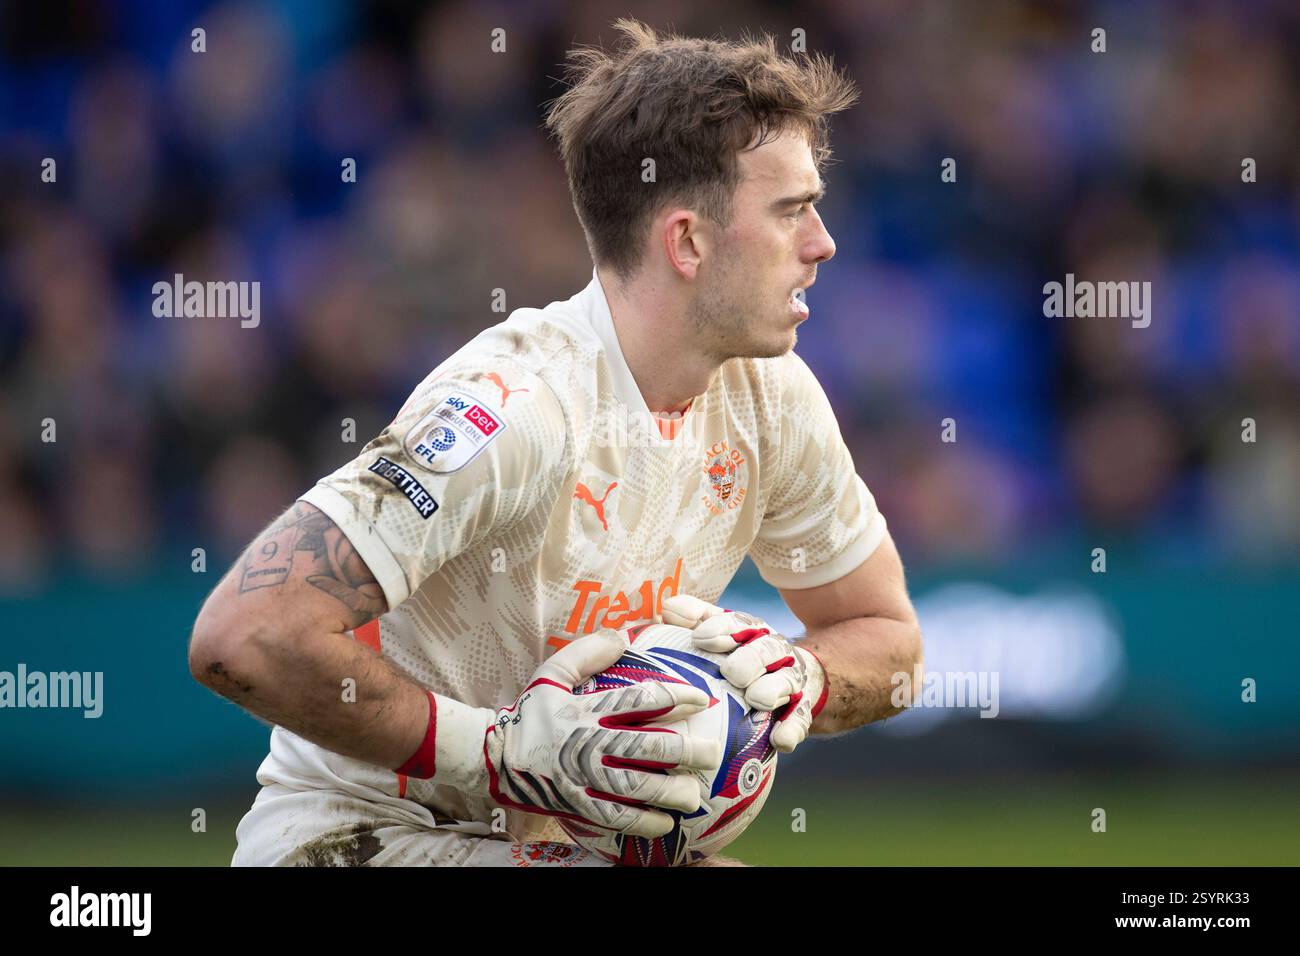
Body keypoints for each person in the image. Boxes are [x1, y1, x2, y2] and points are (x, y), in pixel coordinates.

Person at [189, 18, 923, 867]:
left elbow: (888, 635)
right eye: (791, 211)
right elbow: (244, 636)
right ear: (686, 240)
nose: (822, 243)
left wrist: (806, 676)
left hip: (560, 847)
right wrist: (500, 755)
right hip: (363, 838)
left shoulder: (775, 401)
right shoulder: (512, 408)